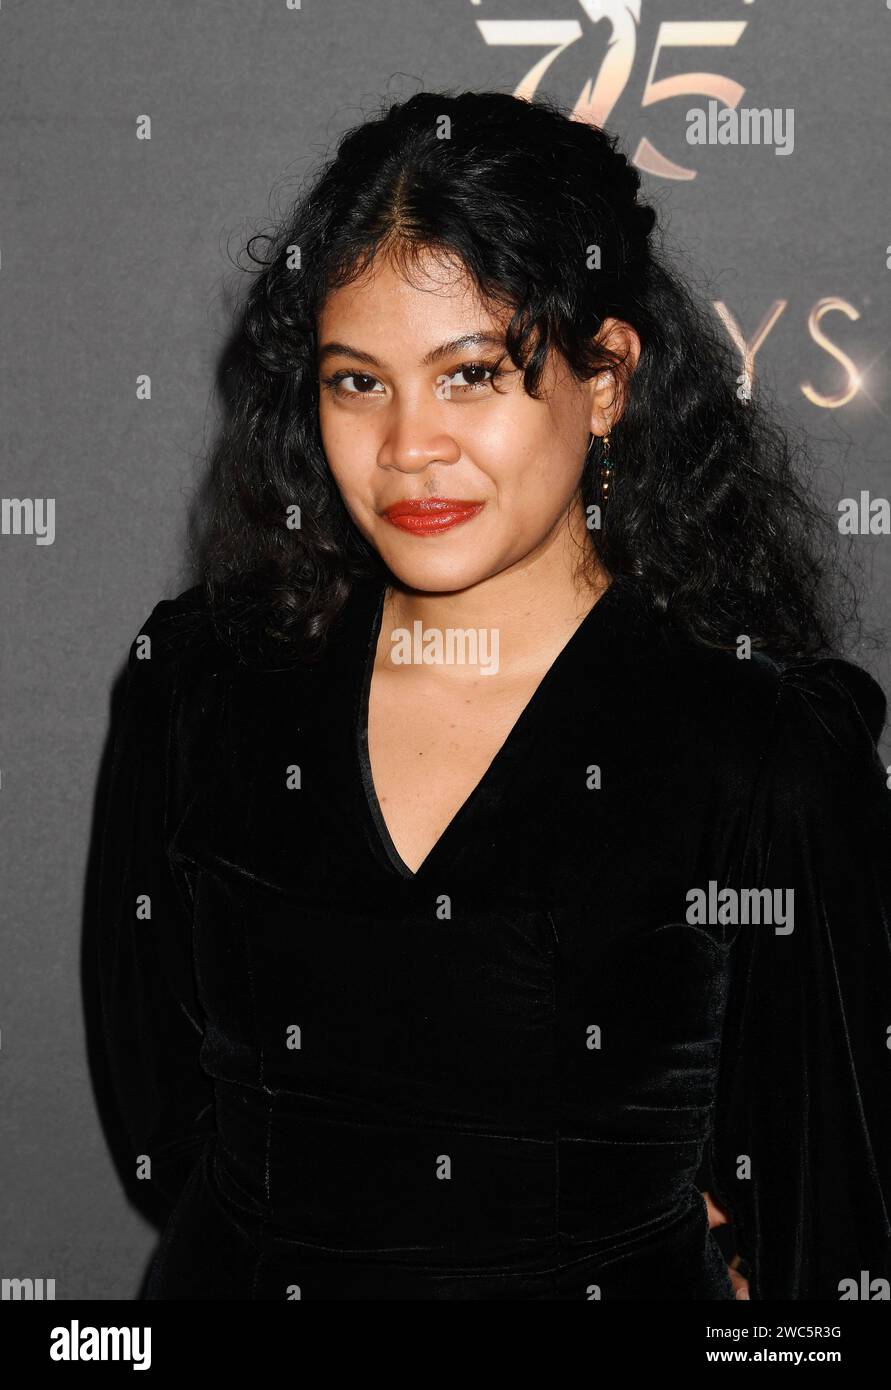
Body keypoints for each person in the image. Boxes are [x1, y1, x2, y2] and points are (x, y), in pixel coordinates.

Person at [95, 90, 891, 1300]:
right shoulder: (204, 682)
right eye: (358, 382)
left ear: (607, 376)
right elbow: (157, 1095)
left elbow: (830, 1220)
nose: (411, 443)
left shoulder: (758, 749)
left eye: (470, 375)